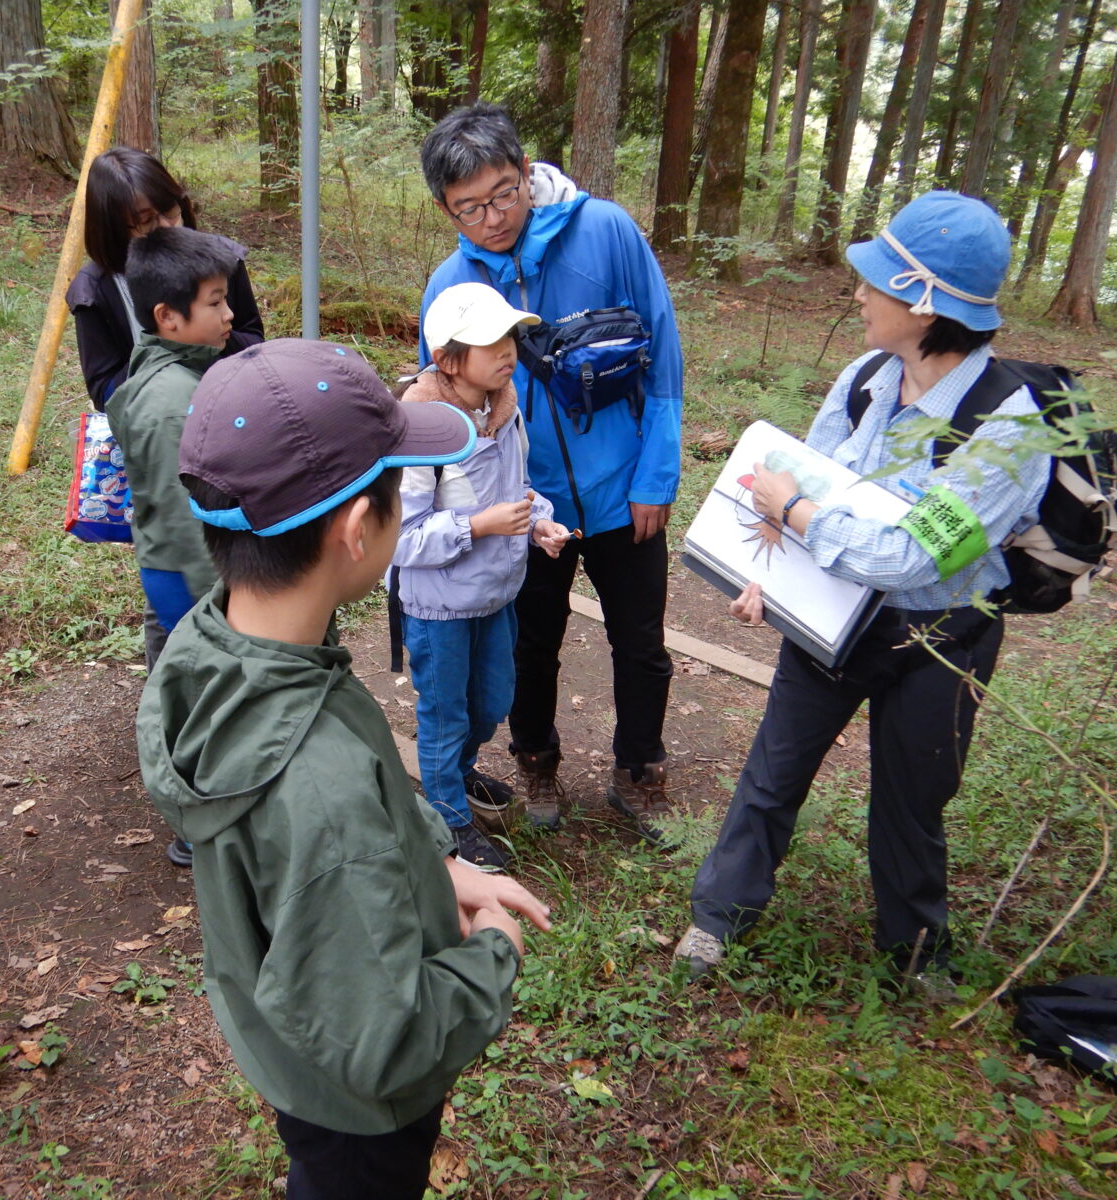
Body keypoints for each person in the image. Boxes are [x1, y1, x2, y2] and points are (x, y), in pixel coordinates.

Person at [137, 339, 552, 1199]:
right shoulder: (316, 784)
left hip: (291, 1041)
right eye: (400, 489)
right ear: (360, 531)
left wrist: (434, 863)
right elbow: (385, 1043)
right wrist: (494, 957)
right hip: (365, 1111)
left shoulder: (223, 648)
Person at [672, 192, 1051, 996]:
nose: (857, 295)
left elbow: (912, 555)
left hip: (941, 636)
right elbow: (802, 478)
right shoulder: (866, 377)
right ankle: (717, 918)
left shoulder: (1010, 429)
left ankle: (915, 955)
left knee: (914, 798)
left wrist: (798, 513)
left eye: (874, 283)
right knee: (773, 772)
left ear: (923, 304)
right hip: (832, 618)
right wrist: (764, 576)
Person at [417, 102, 683, 843]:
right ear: (446, 208)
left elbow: (662, 355)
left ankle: (639, 770)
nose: (493, 218)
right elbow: (435, 402)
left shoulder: (606, 232)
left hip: (623, 484)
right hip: (522, 507)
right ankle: (535, 759)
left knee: (640, 640)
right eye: (469, 208)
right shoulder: (451, 285)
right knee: (530, 642)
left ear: (527, 172)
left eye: (504, 193)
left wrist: (655, 476)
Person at [394, 282, 571, 871]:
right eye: (488, 342)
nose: (507, 351)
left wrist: (536, 521)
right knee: (446, 715)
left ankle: (460, 776)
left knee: (491, 702)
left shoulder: (503, 405)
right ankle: (446, 819)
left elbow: (514, 491)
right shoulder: (422, 429)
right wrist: (482, 525)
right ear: (447, 359)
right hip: (438, 606)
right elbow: (403, 537)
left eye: (509, 338)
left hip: (495, 596)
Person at [107, 224, 240, 867]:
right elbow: (187, 515)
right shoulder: (170, 403)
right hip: (190, 572)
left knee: (189, 690)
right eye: (215, 302)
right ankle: (198, 826)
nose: (229, 313)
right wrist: (224, 597)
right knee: (200, 696)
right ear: (168, 316)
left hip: (179, 567)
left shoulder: (178, 375)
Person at [66, 146, 263, 411]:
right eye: (146, 221)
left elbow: (255, 342)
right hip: (156, 416)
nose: (168, 227)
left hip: (231, 406)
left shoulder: (220, 259)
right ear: (112, 228)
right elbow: (105, 393)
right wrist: (166, 343)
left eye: (171, 211)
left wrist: (209, 332)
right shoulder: (94, 292)